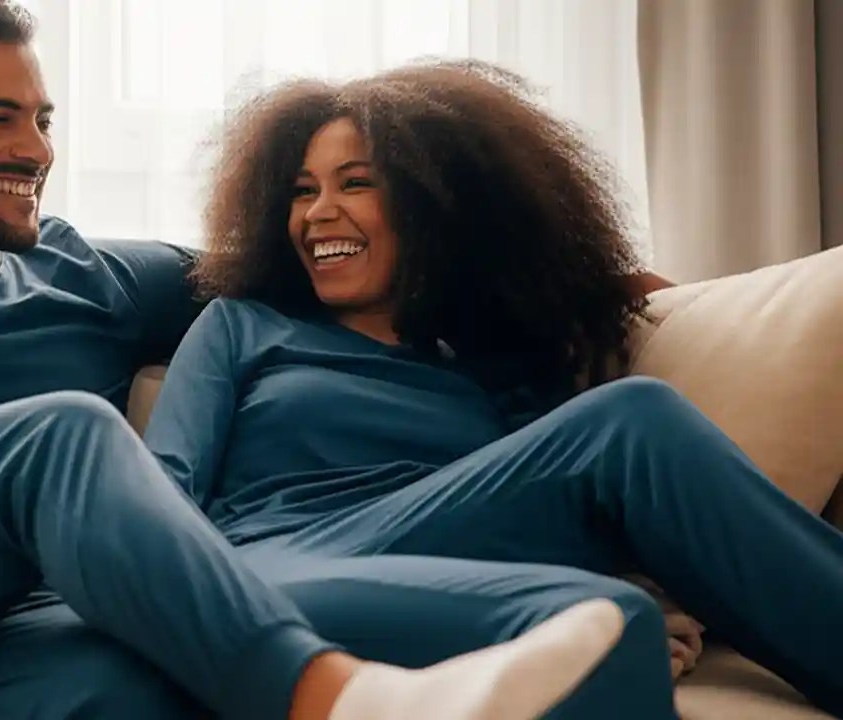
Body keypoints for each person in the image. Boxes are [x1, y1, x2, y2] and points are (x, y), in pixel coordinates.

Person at [0, 2, 631, 719]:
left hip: (17, 629)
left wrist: (581, 271)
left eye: (43, 118)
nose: (35, 148)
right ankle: (333, 697)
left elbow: (302, 263)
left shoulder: (88, 275)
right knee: (63, 431)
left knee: (127, 686)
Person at [143, 59, 843, 720]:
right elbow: (159, 491)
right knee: (632, 423)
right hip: (275, 562)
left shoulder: (489, 358)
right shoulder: (242, 326)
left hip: (435, 569)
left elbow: (554, 512)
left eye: (354, 182)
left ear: (430, 205)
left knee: (617, 555)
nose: (318, 212)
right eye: (302, 190)